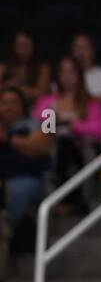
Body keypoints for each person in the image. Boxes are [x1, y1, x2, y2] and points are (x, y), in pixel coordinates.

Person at [33, 56, 101, 209]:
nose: (67, 76)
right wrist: (55, 117)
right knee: (56, 143)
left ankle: (76, 197)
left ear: (79, 75)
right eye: (63, 72)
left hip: (80, 153)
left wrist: (74, 125)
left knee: (67, 143)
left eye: (71, 71)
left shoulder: (91, 103)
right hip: (51, 150)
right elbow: (38, 121)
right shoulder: (47, 101)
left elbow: (99, 130)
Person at [0, 87, 52, 228]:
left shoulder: (35, 124)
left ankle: (6, 230)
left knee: (18, 188)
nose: (9, 107)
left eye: (14, 102)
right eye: (4, 103)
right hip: (3, 177)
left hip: (28, 178)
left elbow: (42, 147)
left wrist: (7, 139)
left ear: (23, 106)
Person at [0, 31, 52, 107]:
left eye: (25, 45)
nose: (22, 49)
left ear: (33, 46)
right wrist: (6, 85)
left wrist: (18, 87)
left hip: (33, 108)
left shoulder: (43, 67)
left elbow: (41, 93)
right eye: (19, 45)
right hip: (7, 107)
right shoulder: (5, 65)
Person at [70, 33, 101, 112]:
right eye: (77, 47)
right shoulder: (65, 75)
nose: (80, 51)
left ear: (92, 50)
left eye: (84, 47)